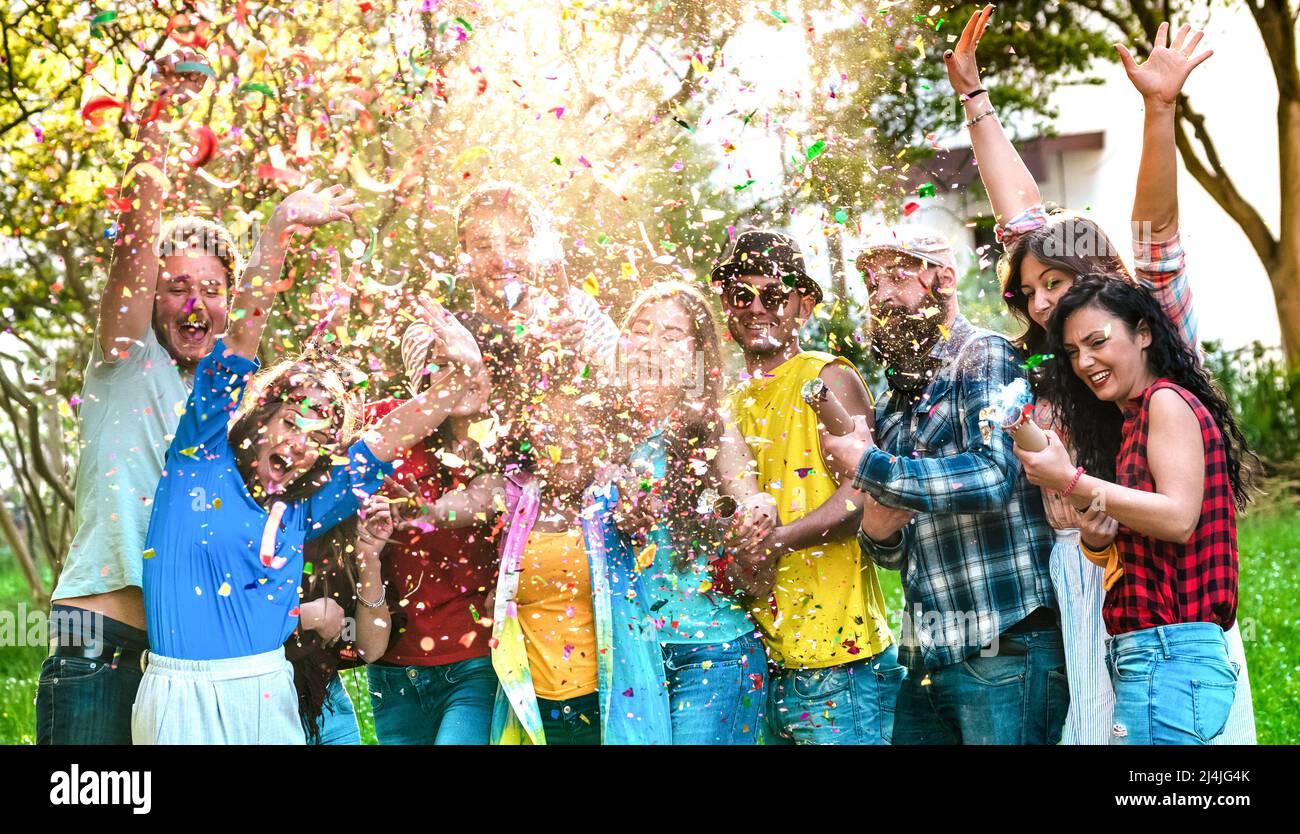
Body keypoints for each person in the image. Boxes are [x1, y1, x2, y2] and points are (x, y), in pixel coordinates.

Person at [948, 4, 1255, 742]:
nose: (1043, 300)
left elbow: (1157, 236)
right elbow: (1021, 219)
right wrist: (974, 99)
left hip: (1173, 597)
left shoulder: (1149, 332)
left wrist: (1158, 109)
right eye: (1030, 291)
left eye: (1059, 280)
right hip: (1087, 582)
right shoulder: (1059, 369)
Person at [131, 185, 485, 743]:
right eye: (293, 421)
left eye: (318, 434)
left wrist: (459, 381)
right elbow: (242, 340)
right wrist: (278, 230)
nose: (300, 442)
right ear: (261, 416)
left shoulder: (303, 512)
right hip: (181, 697)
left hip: (269, 697)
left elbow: (382, 442)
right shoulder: (200, 455)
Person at [35, 51, 230, 744]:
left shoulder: (223, 397)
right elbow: (133, 252)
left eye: (212, 289)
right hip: (100, 650)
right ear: (149, 298)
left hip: (183, 664)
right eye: (177, 287)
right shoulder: (127, 364)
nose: (195, 303)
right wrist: (157, 130)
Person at [826, 226, 1065, 745]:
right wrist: (880, 532)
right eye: (871, 283)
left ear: (945, 278)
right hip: (929, 655)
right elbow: (895, 550)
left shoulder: (984, 355)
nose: (881, 294)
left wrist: (870, 466)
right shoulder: (894, 400)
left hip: (1006, 644)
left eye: (897, 275)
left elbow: (994, 475)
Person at [1016, 276, 1255, 744]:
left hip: (1171, 653)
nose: (1084, 362)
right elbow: (1152, 534)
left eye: (1097, 341)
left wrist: (1071, 481)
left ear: (1143, 333)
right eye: (1071, 352)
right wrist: (1097, 538)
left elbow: (1177, 518)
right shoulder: (1132, 420)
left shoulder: (1164, 402)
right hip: (1153, 653)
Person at [712, 230, 901, 745]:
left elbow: (864, 496)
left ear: (804, 304)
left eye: (773, 295)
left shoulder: (826, 376)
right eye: (741, 295)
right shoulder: (730, 399)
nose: (756, 308)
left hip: (838, 665)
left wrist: (775, 542)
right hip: (761, 662)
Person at [613, 280, 776, 744]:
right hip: (629, 655)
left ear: (698, 353)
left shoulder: (712, 427)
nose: (651, 345)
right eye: (641, 330)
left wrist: (757, 512)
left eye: (671, 335)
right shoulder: (603, 431)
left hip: (713, 650)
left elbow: (750, 497)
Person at [488, 382, 672, 745]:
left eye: (580, 429)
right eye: (553, 430)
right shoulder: (514, 496)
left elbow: (641, 524)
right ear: (532, 442)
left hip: (606, 703)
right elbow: (465, 504)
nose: (567, 444)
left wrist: (638, 516)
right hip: (533, 706)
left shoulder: (611, 498)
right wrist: (420, 510)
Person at [361, 308, 503, 745]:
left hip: (475, 661)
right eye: (438, 366)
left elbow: (480, 500)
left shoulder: (508, 445)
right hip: (393, 668)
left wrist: (419, 512)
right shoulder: (390, 429)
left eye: (467, 363)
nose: (456, 376)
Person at [454, 180, 618, 376]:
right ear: (462, 258)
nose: (501, 261)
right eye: (483, 247)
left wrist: (587, 359)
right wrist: (540, 352)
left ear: (536, 247)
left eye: (516, 243)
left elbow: (626, 390)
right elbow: (455, 400)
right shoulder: (443, 334)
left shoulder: (580, 307)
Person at [290, 490, 395, 745]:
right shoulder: (252, 513)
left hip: (326, 699)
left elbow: (371, 649)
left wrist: (369, 558)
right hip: (258, 696)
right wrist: (306, 617)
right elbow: (220, 620)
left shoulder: (351, 520)